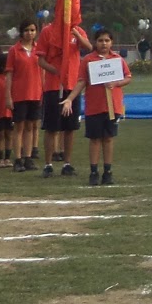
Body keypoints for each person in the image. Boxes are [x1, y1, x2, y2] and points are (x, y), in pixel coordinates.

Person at [62, 29, 131, 186]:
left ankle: (108, 171)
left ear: (111, 42)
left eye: (107, 40)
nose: (104, 44)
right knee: (94, 139)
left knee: (108, 138)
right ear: (95, 42)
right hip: (94, 106)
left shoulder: (117, 59)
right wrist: (69, 99)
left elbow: (128, 77)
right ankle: (93, 171)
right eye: (100, 40)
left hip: (112, 106)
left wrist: (116, 83)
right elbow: (81, 81)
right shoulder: (88, 60)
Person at [37, 20, 91, 179]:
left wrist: (77, 35)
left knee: (70, 127)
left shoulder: (78, 30)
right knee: (51, 127)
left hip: (72, 86)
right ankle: (48, 164)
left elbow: (89, 48)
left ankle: (67, 163)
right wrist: (55, 70)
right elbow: (41, 60)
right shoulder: (48, 31)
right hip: (54, 86)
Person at [6, 20, 45, 172]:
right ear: (22, 32)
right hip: (19, 94)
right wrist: (8, 96)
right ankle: (17, 159)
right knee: (19, 127)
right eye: (27, 30)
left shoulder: (39, 49)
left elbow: (42, 72)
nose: (30, 33)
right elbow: (9, 74)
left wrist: (43, 91)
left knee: (30, 126)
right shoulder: (14, 50)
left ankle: (28, 157)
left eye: (33, 30)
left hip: (35, 93)